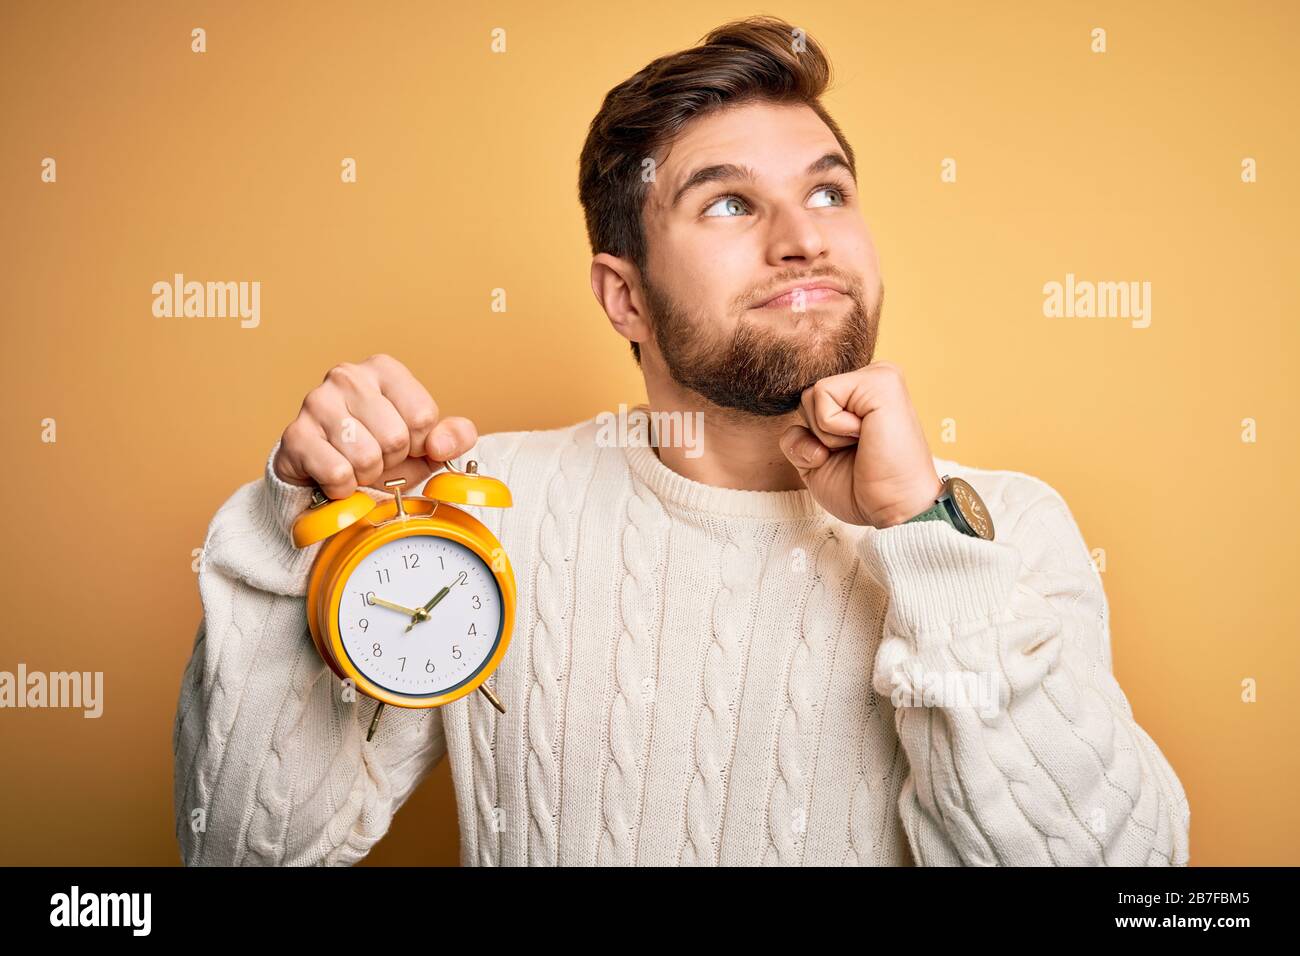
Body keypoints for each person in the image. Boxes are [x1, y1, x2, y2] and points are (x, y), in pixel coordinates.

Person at [173, 15, 1190, 866]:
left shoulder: (997, 529)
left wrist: (920, 533)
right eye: (731, 202)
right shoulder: (483, 507)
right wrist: (300, 534)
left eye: (828, 190)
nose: (803, 236)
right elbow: (245, 847)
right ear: (624, 295)